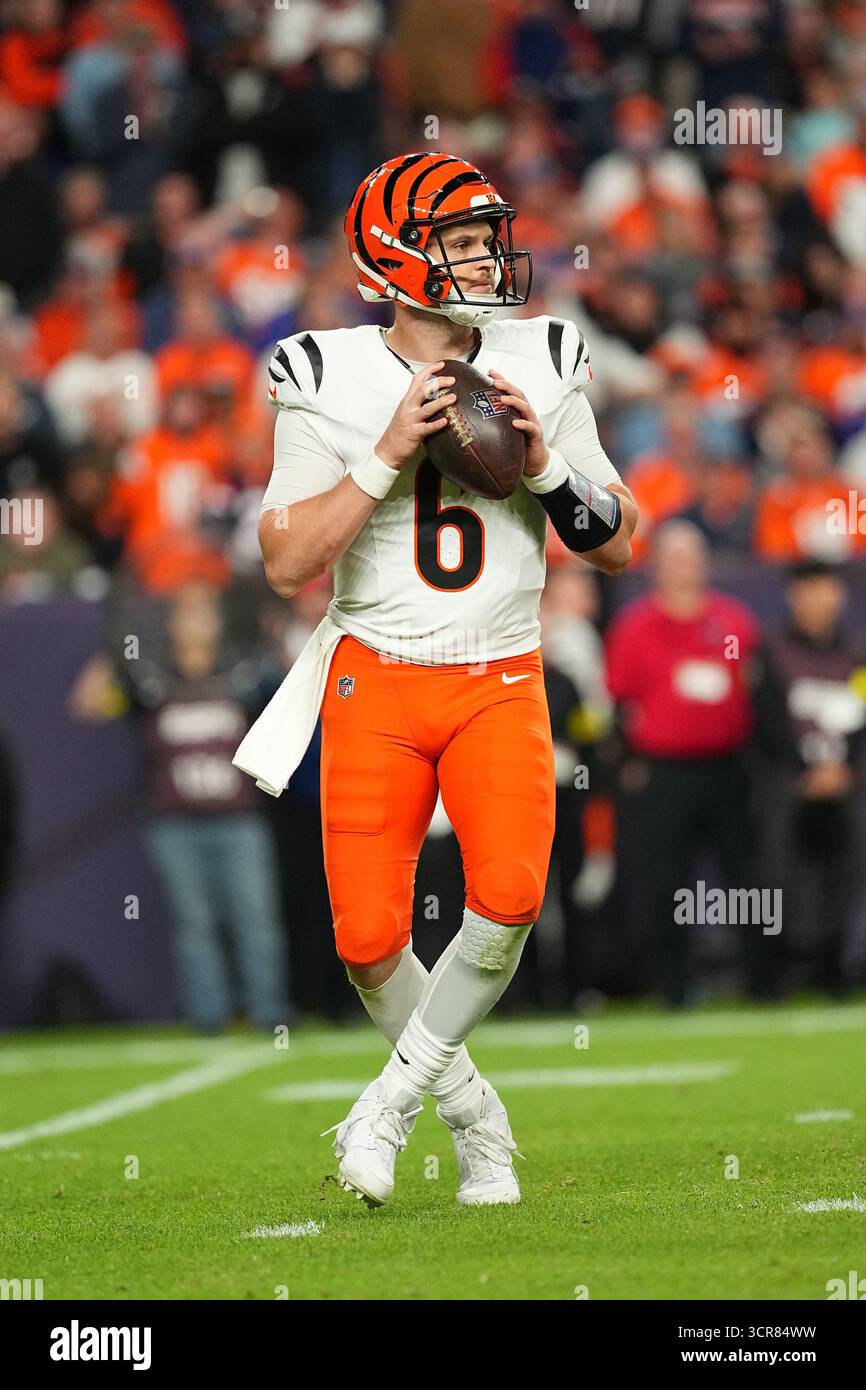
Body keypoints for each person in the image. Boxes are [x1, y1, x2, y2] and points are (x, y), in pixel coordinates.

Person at [238, 150, 637, 1208]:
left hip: (500, 671)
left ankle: (394, 1103)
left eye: (483, 237)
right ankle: (476, 1117)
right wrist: (381, 455)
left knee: (506, 894)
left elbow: (617, 541)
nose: (485, 258)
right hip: (374, 674)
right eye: (459, 242)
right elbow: (284, 560)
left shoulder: (543, 355)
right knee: (367, 938)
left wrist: (546, 466)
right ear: (394, 257)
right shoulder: (322, 373)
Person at [605, 521, 760, 1007]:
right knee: (663, 879)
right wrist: (627, 763)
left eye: (691, 557)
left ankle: (759, 978)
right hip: (662, 771)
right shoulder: (635, 627)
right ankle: (671, 985)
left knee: (744, 877)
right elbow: (616, 703)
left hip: (725, 766)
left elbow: (755, 688)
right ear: (655, 566)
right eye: (673, 558)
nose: (683, 568)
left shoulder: (733, 622)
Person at [758, 560, 866, 996]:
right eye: (813, 590)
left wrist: (845, 769)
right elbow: (765, 720)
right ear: (795, 595)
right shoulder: (772, 650)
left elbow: (861, 721)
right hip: (790, 780)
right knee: (777, 874)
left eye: (830, 590)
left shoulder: (856, 656)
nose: (823, 599)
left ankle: (833, 966)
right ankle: (775, 972)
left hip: (843, 781)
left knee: (848, 870)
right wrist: (802, 772)